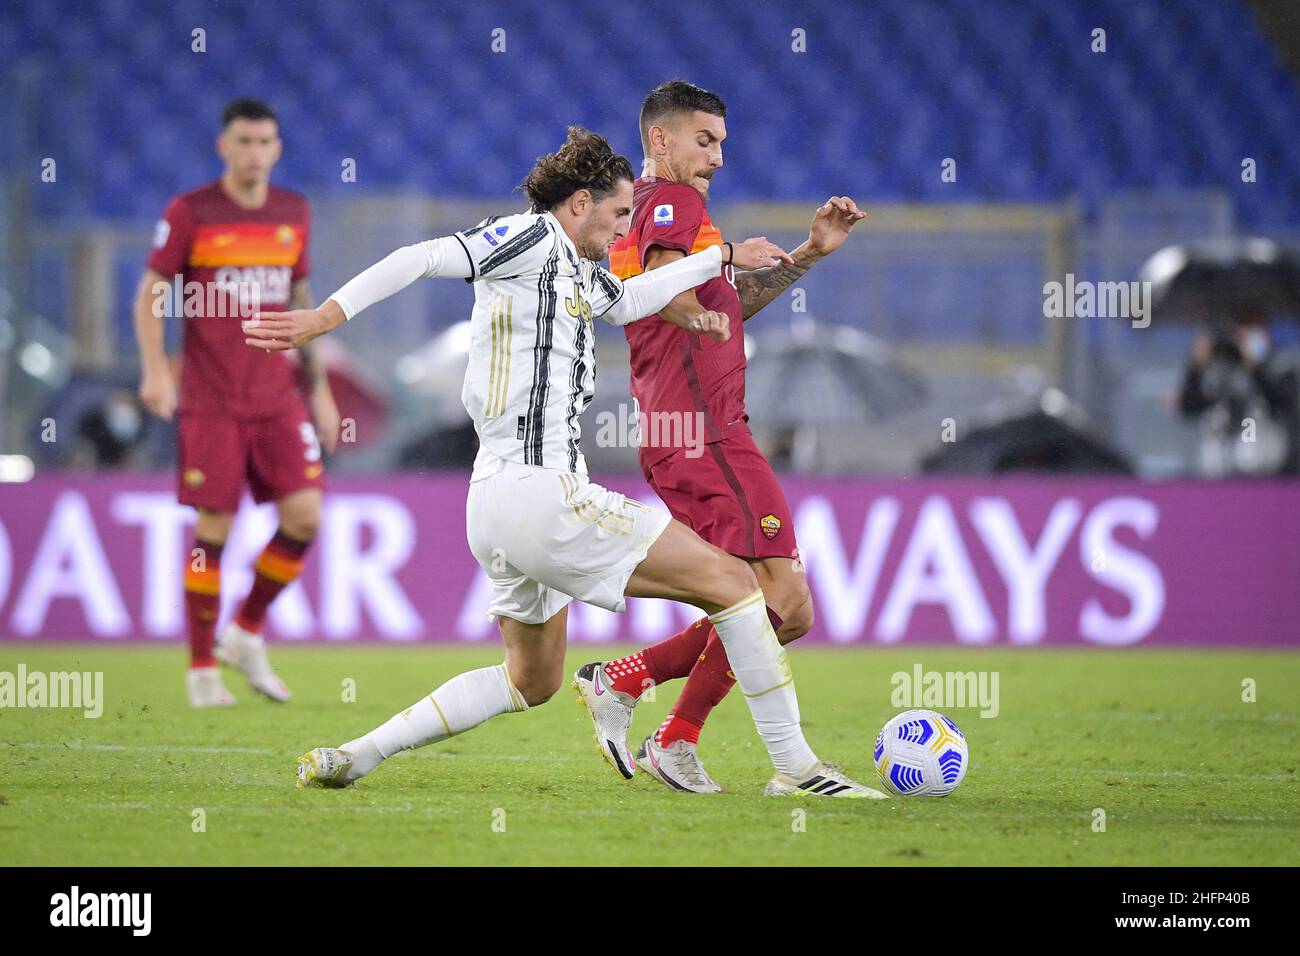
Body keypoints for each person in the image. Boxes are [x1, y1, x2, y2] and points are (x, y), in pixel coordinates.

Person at [247, 127, 883, 798]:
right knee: (738, 587)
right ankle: (795, 767)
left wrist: (721, 255)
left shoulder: (582, 273)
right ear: (580, 203)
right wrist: (324, 316)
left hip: (495, 501)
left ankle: (357, 754)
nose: (619, 234)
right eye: (614, 217)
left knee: (532, 679)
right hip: (537, 490)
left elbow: (634, 301)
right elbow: (421, 256)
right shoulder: (529, 238)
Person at [574, 80, 867, 792]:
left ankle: (665, 726)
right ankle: (640, 696)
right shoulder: (672, 203)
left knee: (762, 602)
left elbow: (726, 307)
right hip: (706, 434)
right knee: (786, 604)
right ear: (660, 140)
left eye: (722, 144)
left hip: (691, 433)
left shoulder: (660, 217)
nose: (718, 157)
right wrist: (695, 297)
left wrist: (808, 253)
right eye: (705, 141)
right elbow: (663, 282)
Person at [133, 98, 340, 707]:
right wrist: (153, 370)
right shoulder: (191, 211)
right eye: (244, 141)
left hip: (277, 398)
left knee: (305, 518)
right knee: (213, 530)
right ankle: (201, 667)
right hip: (212, 399)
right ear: (224, 147)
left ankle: (246, 631)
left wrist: (320, 390)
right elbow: (152, 292)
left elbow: (300, 299)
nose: (255, 152)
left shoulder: (293, 212)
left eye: (266, 142)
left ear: (277, 149)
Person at [1179, 313, 1299, 476]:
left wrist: (1254, 364)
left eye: (1250, 333)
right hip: (1220, 456)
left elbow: (1280, 402)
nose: (1243, 340)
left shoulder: (1280, 362)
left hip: (1264, 449)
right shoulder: (1219, 364)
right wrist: (1196, 368)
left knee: (1248, 449)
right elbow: (1189, 406)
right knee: (1215, 453)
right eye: (1239, 334)